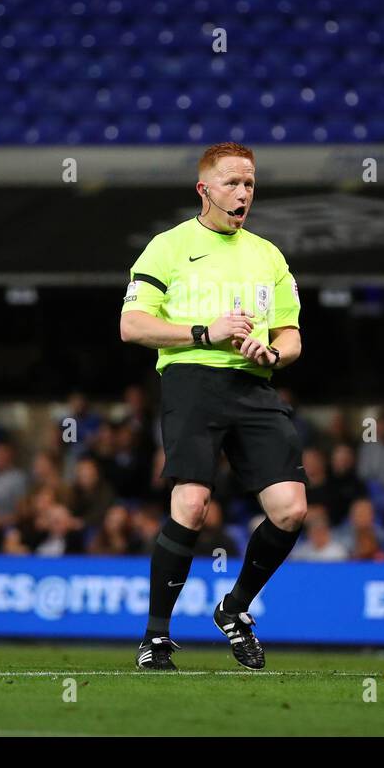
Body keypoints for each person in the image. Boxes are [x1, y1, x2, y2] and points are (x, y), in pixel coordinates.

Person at [120, 141, 306, 670]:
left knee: (290, 509)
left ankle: (235, 608)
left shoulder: (268, 254)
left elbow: (292, 338)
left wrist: (272, 351)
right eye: (232, 182)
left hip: (255, 384)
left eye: (249, 182)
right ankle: (155, 638)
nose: (243, 191)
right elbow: (132, 325)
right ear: (205, 189)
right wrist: (206, 331)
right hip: (191, 379)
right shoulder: (168, 246)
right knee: (193, 503)